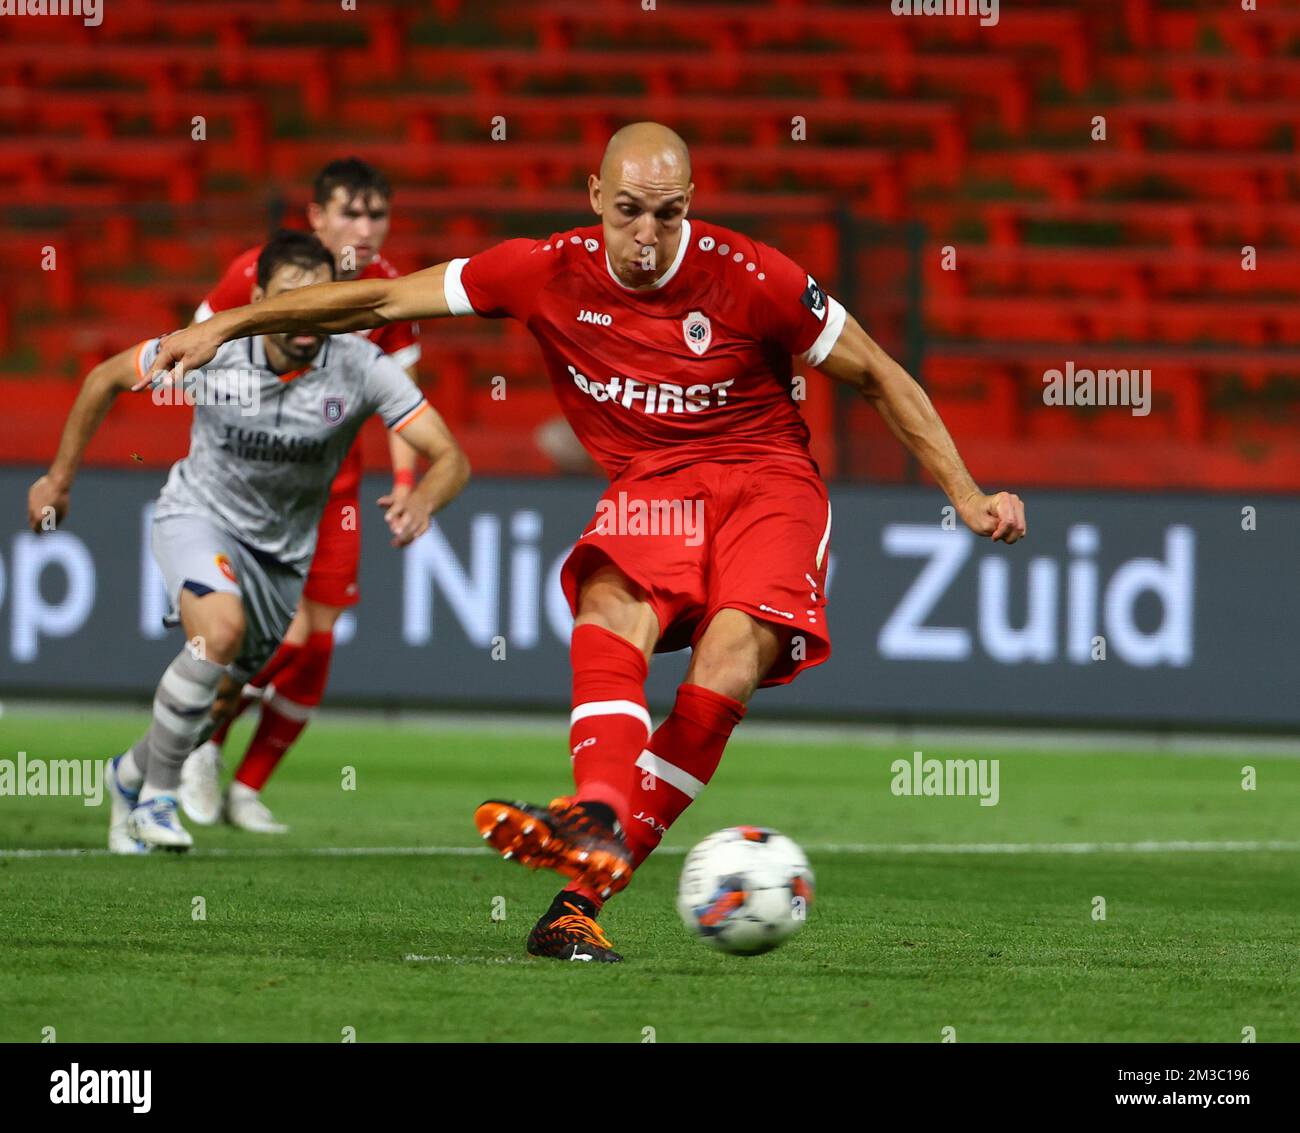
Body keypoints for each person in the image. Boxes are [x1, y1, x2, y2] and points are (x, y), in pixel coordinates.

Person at [141, 122, 1025, 953]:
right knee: (609, 597)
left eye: (669, 213)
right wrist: (226, 324)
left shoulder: (755, 276)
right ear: (594, 193)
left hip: (768, 480)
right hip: (653, 485)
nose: (648, 235)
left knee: (726, 663)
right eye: (629, 211)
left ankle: (579, 901)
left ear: (691, 201)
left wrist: (968, 492)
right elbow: (376, 297)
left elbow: (877, 373)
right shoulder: (538, 270)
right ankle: (595, 813)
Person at [27, 230, 470, 853]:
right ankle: (158, 797)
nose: (303, 314)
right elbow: (103, 378)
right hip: (197, 515)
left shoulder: (359, 367)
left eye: (318, 299)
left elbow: (449, 455)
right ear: (259, 298)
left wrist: (423, 497)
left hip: (282, 559)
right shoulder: (213, 352)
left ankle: (126, 777)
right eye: (289, 298)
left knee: (220, 686)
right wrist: (59, 478)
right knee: (219, 632)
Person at [182, 158, 424, 835]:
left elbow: (402, 404)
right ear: (315, 217)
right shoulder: (258, 271)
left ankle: (248, 787)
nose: (365, 227)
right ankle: (201, 745)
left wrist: (406, 486)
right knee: (279, 635)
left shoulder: (389, 291)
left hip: (336, 491)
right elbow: (197, 346)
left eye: (376, 214)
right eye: (350, 212)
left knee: (316, 645)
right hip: (254, 484)